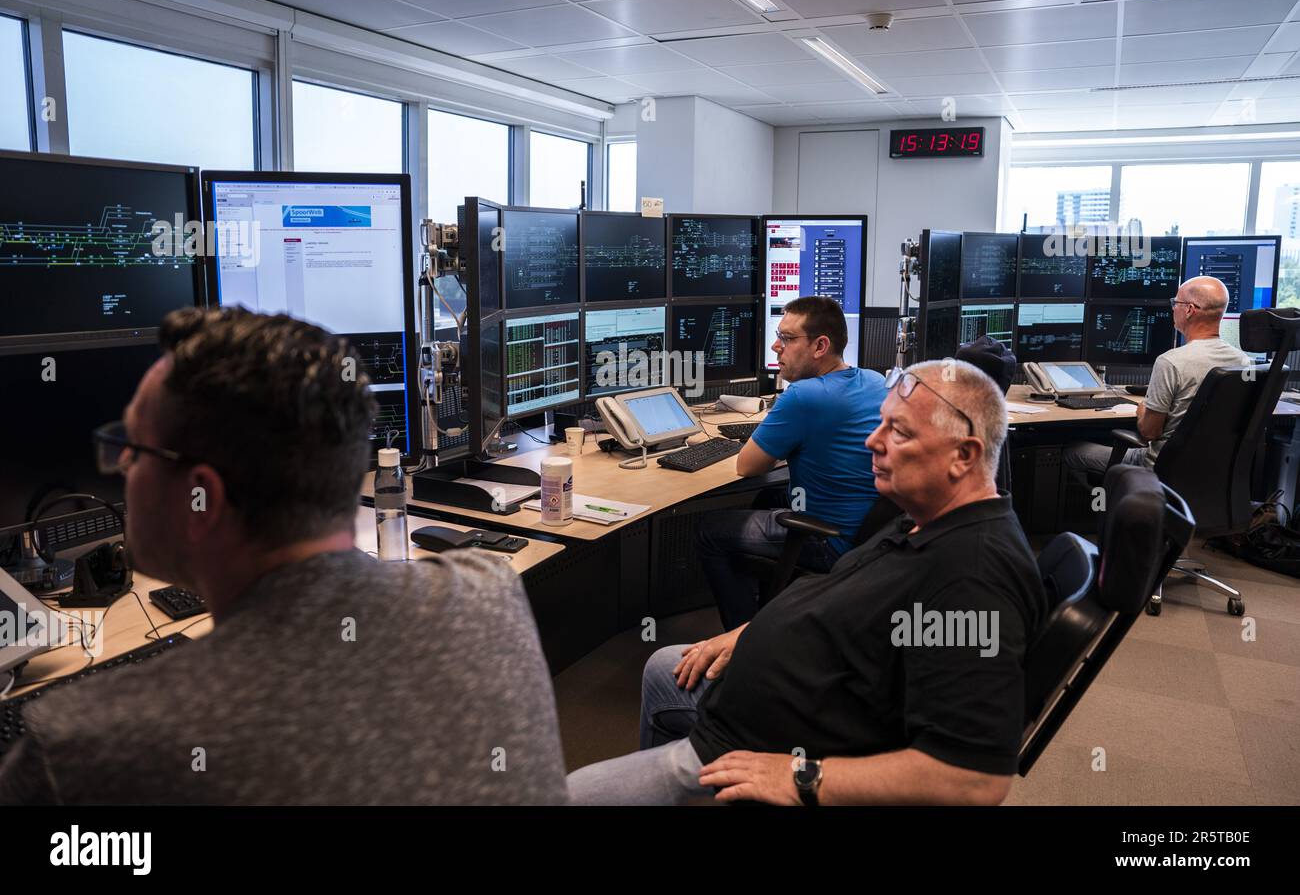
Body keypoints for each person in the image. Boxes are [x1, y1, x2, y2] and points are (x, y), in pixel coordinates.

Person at [0, 307, 567, 805]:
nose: (122, 467)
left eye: (133, 450)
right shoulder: (489, 589)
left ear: (202, 497)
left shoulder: (78, 750)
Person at [569, 359, 1046, 805]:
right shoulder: (924, 518)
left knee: (560, 795)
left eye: (898, 431)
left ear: (963, 455)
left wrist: (802, 776)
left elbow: (973, 778)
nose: (872, 441)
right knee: (663, 665)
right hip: (773, 699)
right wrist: (750, 634)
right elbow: (846, 602)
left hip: (776, 743)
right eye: (881, 422)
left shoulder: (974, 577)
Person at [698, 296, 887, 630]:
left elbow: (748, 466)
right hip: (870, 538)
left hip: (831, 541)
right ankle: (773, 612)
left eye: (786, 338)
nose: (776, 347)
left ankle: (745, 640)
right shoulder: (874, 381)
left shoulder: (802, 396)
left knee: (709, 531)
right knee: (767, 497)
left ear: (820, 346)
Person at [1064, 275, 1244, 483]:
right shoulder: (1242, 362)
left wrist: (1142, 410)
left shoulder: (1171, 362)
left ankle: (1113, 500)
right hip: (1215, 473)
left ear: (1189, 310)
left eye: (1176, 303)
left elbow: (1150, 432)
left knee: (1073, 451)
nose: (1173, 308)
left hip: (1160, 467)